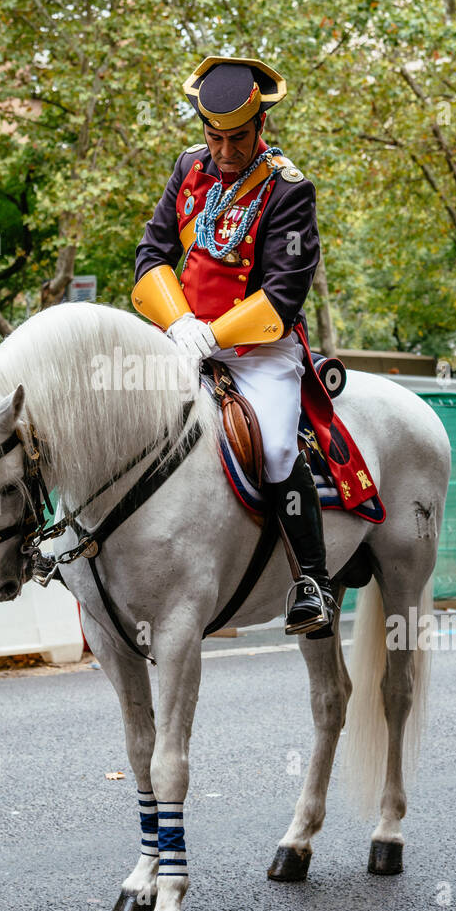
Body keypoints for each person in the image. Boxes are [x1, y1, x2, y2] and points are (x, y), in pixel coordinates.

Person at [131, 56, 335, 637]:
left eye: (236, 138)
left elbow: (282, 297)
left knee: (273, 449)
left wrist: (213, 335)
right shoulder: (187, 168)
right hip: (181, 337)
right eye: (213, 137)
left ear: (261, 125)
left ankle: (313, 582)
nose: (223, 151)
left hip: (259, 350)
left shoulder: (290, 190)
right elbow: (152, 257)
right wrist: (178, 325)